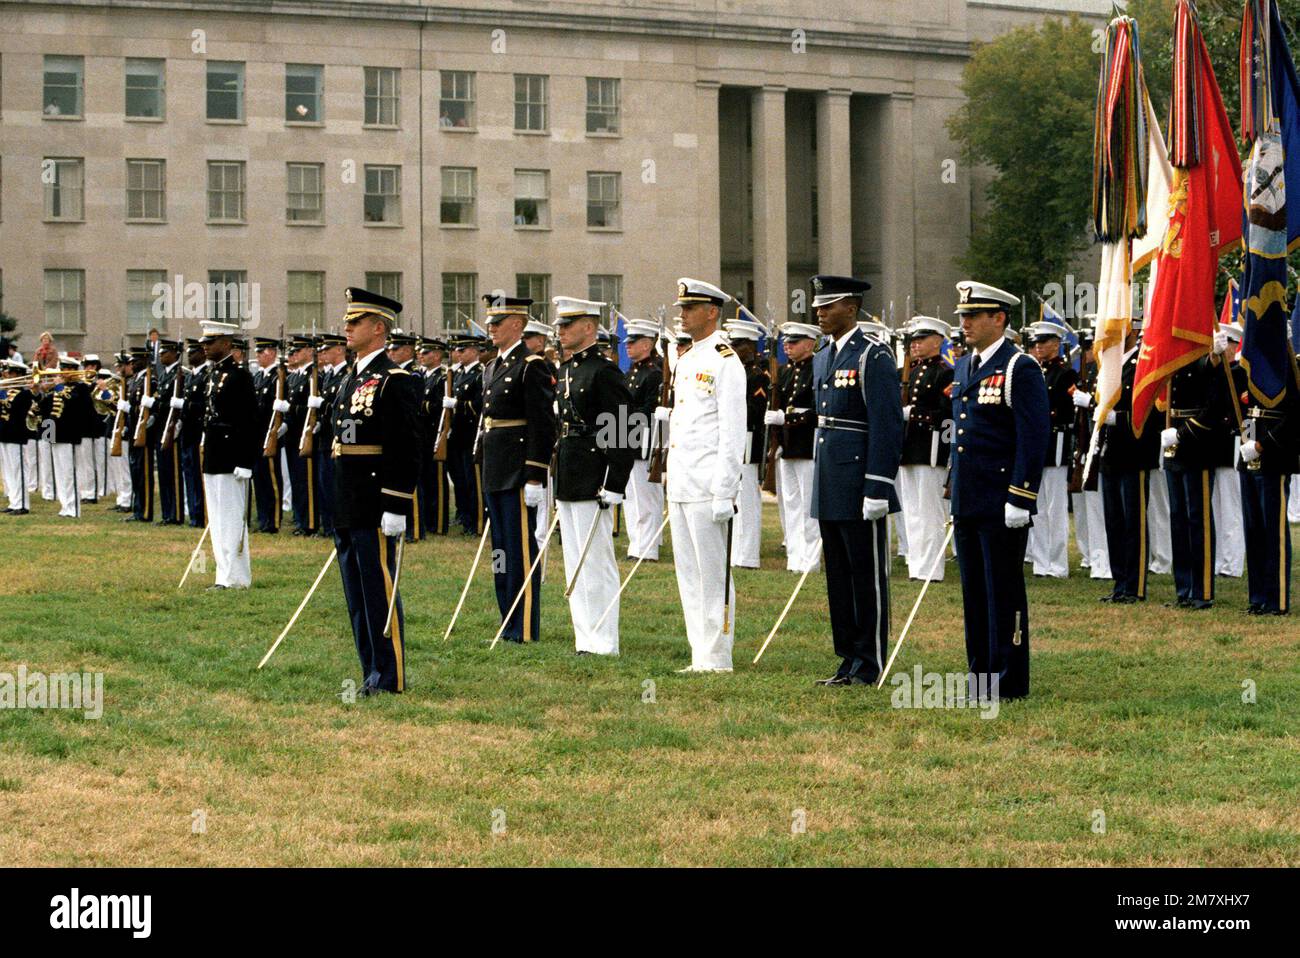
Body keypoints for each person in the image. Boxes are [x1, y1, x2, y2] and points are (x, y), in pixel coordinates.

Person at [948, 281, 1049, 701]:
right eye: (963, 316)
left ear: (1000, 319)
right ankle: (981, 674)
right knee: (974, 590)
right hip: (970, 496)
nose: (965, 323)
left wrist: (1021, 495)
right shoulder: (964, 365)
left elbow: (1033, 435)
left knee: (1003, 591)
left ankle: (1009, 679)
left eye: (974, 316)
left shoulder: (1018, 366)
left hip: (1002, 497)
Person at [807, 275, 904, 685]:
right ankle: (847, 656)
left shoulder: (872, 356)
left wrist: (878, 484)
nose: (820, 313)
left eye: (829, 306)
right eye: (817, 307)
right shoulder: (823, 355)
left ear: (851, 306)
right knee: (839, 576)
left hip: (861, 477)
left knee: (866, 575)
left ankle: (870, 659)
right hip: (830, 475)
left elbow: (887, 424)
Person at [652, 278, 746, 673]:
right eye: (681, 308)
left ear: (711, 311)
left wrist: (725, 489)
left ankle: (718, 654)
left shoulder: (726, 361)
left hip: (709, 484)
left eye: (690, 308)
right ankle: (699, 653)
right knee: (688, 575)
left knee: (713, 574)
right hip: (684, 482)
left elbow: (731, 431)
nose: (682, 314)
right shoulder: (687, 358)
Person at [329, 289, 419, 692]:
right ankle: (370, 670)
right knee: (357, 595)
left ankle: (389, 675)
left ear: (379, 328)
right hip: (347, 497)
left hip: (374, 499)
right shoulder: (353, 377)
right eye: (347, 321)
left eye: (355, 321)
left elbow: (406, 445)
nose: (346, 327)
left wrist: (397, 502)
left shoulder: (394, 380)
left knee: (378, 591)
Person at [552, 297, 635, 655]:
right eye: (559, 325)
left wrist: (616, 481)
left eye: (568, 325)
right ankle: (584, 636)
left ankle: (604, 639)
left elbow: (622, 428)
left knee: (596, 559)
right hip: (569, 470)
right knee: (574, 559)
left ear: (589, 327)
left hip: (594, 473)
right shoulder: (568, 370)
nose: (560, 331)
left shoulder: (604, 372)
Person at [477, 295, 557, 643]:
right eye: (490, 322)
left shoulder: (531, 365)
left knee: (520, 548)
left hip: (517, 468)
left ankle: (523, 625)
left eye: (498, 322)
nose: (491, 328)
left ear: (517, 324)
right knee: (500, 551)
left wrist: (535, 474)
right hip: (495, 466)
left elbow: (543, 424)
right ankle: (506, 617)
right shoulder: (493, 366)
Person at [1156, 328, 1234, 610]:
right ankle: (1184, 588)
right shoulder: (1174, 360)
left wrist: (1214, 354)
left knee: (1197, 517)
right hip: (1172, 440)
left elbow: (1214, 407)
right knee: (1177, 517)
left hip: (1197, 445)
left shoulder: (1204, 360)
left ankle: (1202, 590)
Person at [1098, 321, 1162, 603]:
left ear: (1133, 332)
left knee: (1133, 521)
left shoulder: (1141, 363)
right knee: (1114, 520)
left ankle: (1134, 585)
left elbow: (1149, 413)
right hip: (1110, 451)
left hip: (1134, 451)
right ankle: (1119, 582)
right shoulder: (1110, 363)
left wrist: (1116, 418)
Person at [1235, 350, 1297, 616]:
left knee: (1274, 530)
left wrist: (1262, 445)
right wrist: (1249, 441)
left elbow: (1294, 416)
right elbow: (1250, 409)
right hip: (1252, 457)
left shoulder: (1289, 367)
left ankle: (1277, 598)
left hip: (1275, 457)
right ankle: (1258, 596)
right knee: (1254, 530)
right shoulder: (1253, 366)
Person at [199, 321, 258, 590]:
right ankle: (223, 575)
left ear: (226, 343)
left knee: (233, 519)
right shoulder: (214, 375)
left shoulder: (239, 376)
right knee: (218, 519)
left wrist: (246, 461)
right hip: (214, 454)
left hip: (231, 456)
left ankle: (236, 577)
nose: (205, 347)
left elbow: (249, 421)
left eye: (210, 342)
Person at [897, 315, 953, 581]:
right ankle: (916, 564)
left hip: (930, 449)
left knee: (929, 513)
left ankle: (931, 568)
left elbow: (947, 415)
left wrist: (914, 413)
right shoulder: (910, 371)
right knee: (912, 512)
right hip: (909, 449)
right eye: (913, 340)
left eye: (921, 339)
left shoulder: (945, 372)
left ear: (938, 341)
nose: (915, 345)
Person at [764, 320, 821, 573]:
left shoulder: (818, 369)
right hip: (787, 446)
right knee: (791, 505)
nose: (788, 346)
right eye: (786, 342)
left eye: (794, 342)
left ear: (809, 344)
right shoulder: (785, 372)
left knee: (809, 507)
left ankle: (810, 560)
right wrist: (775, 440)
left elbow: (818, 411)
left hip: (808, 445)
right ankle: (795, 557)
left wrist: (786, 419)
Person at [1024, 320, 1077, 578]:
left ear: (1056, 344)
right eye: (1035, 343)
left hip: (1055, 443)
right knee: (1037, 506)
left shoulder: (1065, 373)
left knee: (1055, 507)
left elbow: (1065, 411)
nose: (1038, 347)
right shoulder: (1037, 371)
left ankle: (1057, 564)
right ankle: (1040, 561)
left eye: (1043, 342)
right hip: (1038, 444)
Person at [721, 312, 769, 570]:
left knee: (747, 501)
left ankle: (748, 555)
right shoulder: (734, 372)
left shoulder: (757, 375)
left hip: (749, 441)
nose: (734, 350)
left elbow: (754, 410)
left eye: (738, 345)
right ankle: (736, 552)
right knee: (733, 497)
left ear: (750, 346)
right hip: (733, 440)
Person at [622, 318, 666, 561]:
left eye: (634, 342)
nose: (628, 346)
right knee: (632, 496)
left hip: (644, 439)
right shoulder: (632, 372)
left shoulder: (653, 374)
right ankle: (636, 543)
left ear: (647, 344)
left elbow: (649, 409)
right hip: (628, 437)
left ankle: (646, 548)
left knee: (645, 497)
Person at [1068, 324, 1110, 578]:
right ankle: (1097, 559)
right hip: (1089, 448)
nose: (1088, 352)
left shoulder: (1111, 371)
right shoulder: (1093, 372)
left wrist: (1090, 402)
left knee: (1105, 509)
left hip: (1108, 446)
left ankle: (1105, 562)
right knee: (1092, 508)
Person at [1212, 323, 1246, 577]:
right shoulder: (1217, 373)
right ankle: (1219, 559)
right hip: (1215, 446)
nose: (1225, 350)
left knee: (1232, 508)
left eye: (1228, 345)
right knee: (1217, 508)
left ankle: (1232, 563)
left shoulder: (1241, 374)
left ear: (1236, 347)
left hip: (1233, 444)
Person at [447, 332, 485, 535]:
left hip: (471, 434)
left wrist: (458, 404)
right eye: (456, 350)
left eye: (462, 350)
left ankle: (477, 521)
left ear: (473, 350)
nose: (457, 353)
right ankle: (464, 516)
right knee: (459, 479)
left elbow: (480, 405)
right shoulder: (458, 373)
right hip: (458, 434)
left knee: (473, 481)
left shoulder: (480, 373)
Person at [418, 337, 451, 536]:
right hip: (423, 434)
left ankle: (438, 523)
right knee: (426, 480)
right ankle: (428, 518)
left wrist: (422, 406)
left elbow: (439, 406)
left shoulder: (442, 377)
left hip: (435, 434)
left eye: (426, 352)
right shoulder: (421, 376)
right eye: (421, 352)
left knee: (437, 481)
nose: (421, 355)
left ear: (437, 355)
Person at [251, 337, 284, 533]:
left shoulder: (277, 377)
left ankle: (274, 520)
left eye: (260, 352)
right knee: (260, 480)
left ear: (271, 353)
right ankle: (263, 518)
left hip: (269, 433)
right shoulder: (259, 377)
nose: (257, 356)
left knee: (271, 479)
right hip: (258, 435)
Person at [180, 340, 209, 528]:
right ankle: (193, 513)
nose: (190, 356)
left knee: (199, 477)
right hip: (188, 433)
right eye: (188, 353)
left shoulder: (206, 376)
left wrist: (186, 406)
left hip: (199, 432)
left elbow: (204, 406)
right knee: (189, 475)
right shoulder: (190, 377)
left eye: (193, 352)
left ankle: (200, 514)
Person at [0, 360, 34, 513]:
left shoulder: (24, 394)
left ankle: (22, 504)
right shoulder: (5, 391)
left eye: (10, 373)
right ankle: (14, 502)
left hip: (16, 435)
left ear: (18, 375)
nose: (6, 375)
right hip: (4, 435)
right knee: (8, 471)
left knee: (18, 470)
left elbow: (16, 410)